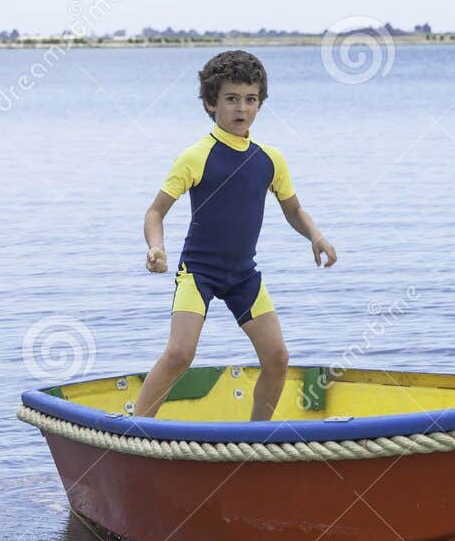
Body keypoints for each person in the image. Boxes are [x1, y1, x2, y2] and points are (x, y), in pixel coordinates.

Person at [132, 50, 336, 421]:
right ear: (211, 103)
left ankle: (257, 438)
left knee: (277, 358)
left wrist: (315, 236)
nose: (241, 108)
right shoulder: (196, 157)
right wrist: (156, 247)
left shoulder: (269, 159)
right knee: (180, 354)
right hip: (199, 272)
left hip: (243, 275)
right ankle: (134, 431)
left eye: (250, 99)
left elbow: (293, 210)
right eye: (231, 99)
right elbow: (155, 211)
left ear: (260, 103)